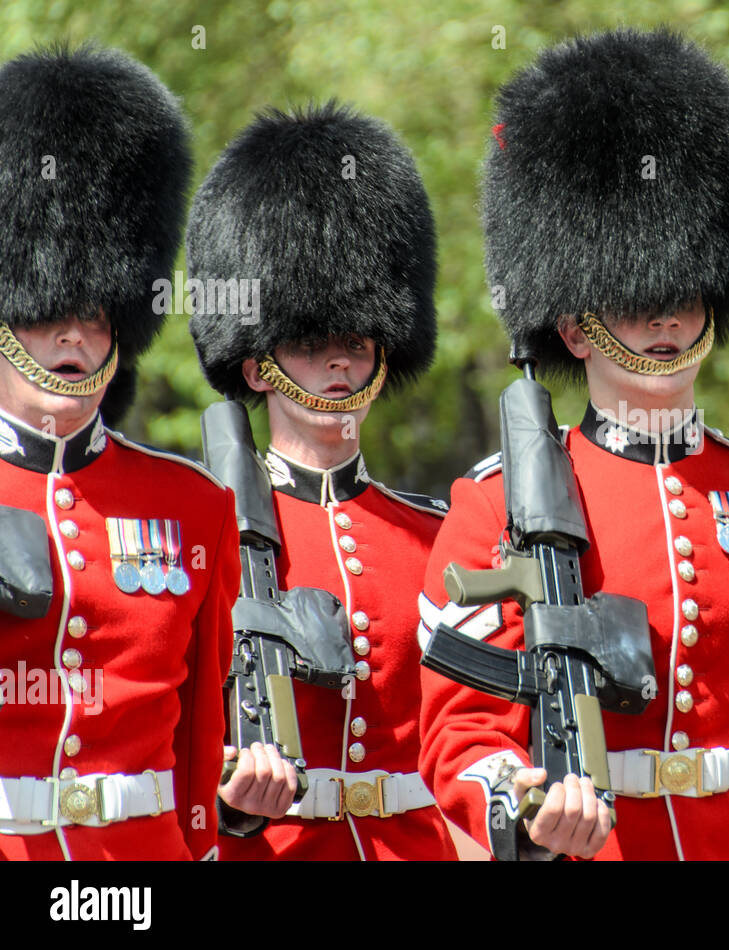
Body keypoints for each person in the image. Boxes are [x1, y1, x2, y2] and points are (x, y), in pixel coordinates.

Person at [417, 27, 729, 861]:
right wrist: (519, 802)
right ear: (574, 326)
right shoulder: (496, 502)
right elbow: (460, 729)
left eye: (683, 293)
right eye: (636, 299)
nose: (668, 320)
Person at [187, 103, 456, 859]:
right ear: (256, 366)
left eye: (355, 343)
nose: (339, 365)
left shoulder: (435, 535)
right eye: (310, 346)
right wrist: (226, 794)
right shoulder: (204, 530)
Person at [0, 45, 239, 860]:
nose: (74, 335)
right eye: (45, 312)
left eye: (99, 313)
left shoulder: (194, 506)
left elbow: (201, 734)